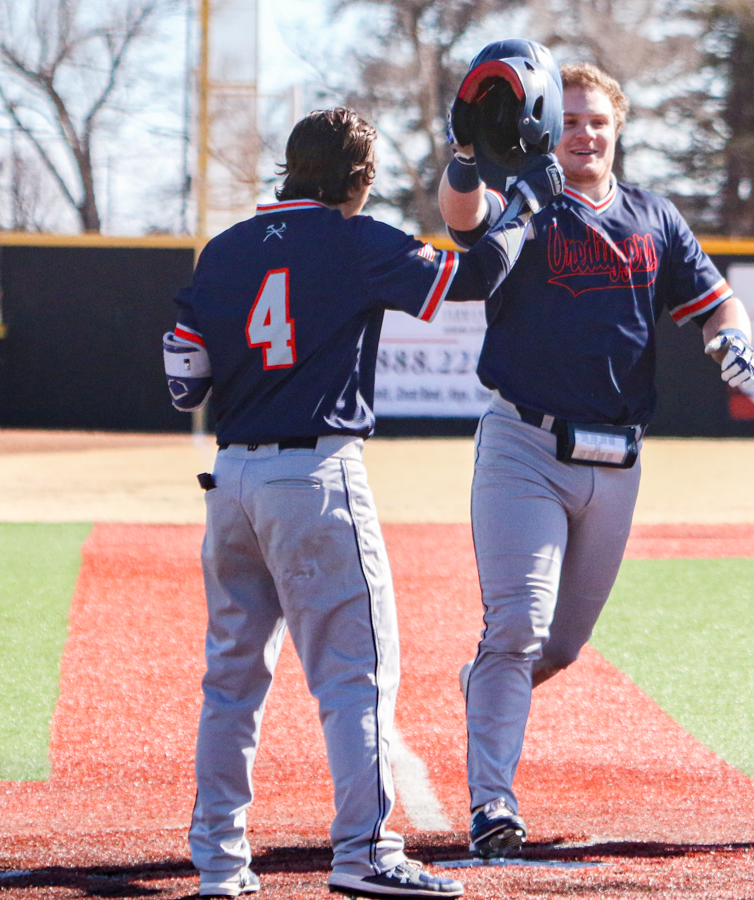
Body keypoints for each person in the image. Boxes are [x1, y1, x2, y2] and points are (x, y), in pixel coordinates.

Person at [168, 106, 559, 900]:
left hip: (231, 479)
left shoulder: (225, 248)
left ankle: (219, 864)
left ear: (290, 166)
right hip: (316, 479)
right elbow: (474, 277)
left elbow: (185, 382)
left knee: (232, 684)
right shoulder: (354, 237)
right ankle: (366, 853)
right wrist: (523, 207)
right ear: (361, 176)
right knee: (356, 677)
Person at [438, 57, 754, 859]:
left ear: (618, 130)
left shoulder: (654, 215)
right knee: (517, 626)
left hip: (618, 460)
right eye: (572, 121)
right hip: (524, 445)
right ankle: (493, 805)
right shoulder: (528, 204)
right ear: (549, 127)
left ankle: (488, 687)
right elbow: (463, 218)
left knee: (559, 647)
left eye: (598, 122)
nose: (585, 134)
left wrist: (731, 338)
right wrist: (468, 156)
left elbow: (718, 301)